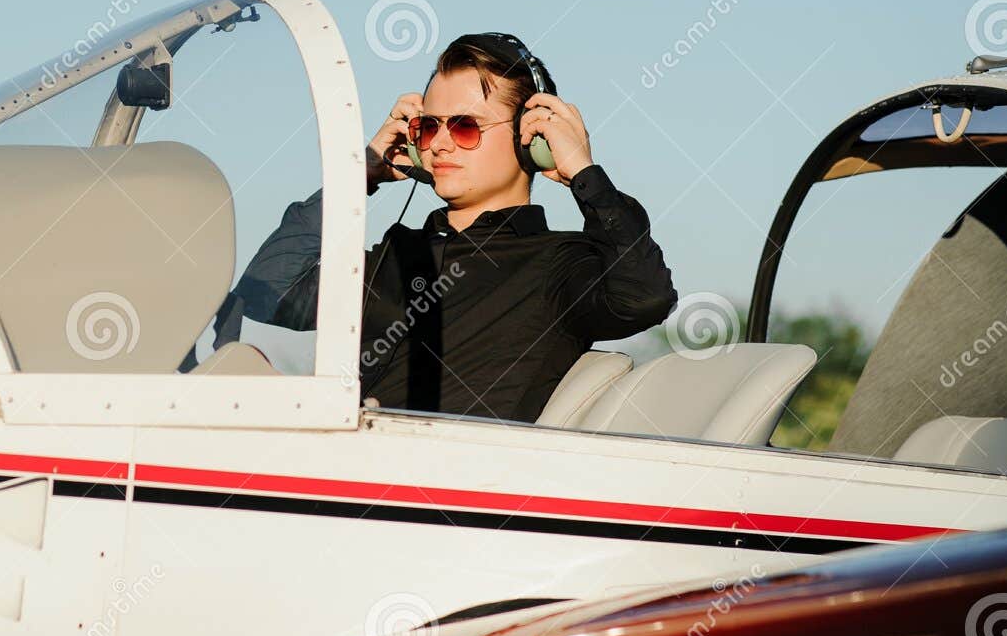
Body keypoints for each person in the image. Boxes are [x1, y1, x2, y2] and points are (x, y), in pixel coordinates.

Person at [213, 32, 678, 422]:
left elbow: (644, 297)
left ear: (530, 139)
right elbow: (267, 292)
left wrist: (585, 175)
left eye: (465, 127)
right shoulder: (396, 257)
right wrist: (359, 174)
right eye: (428, 127)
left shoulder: (557, 265)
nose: (439, 144)